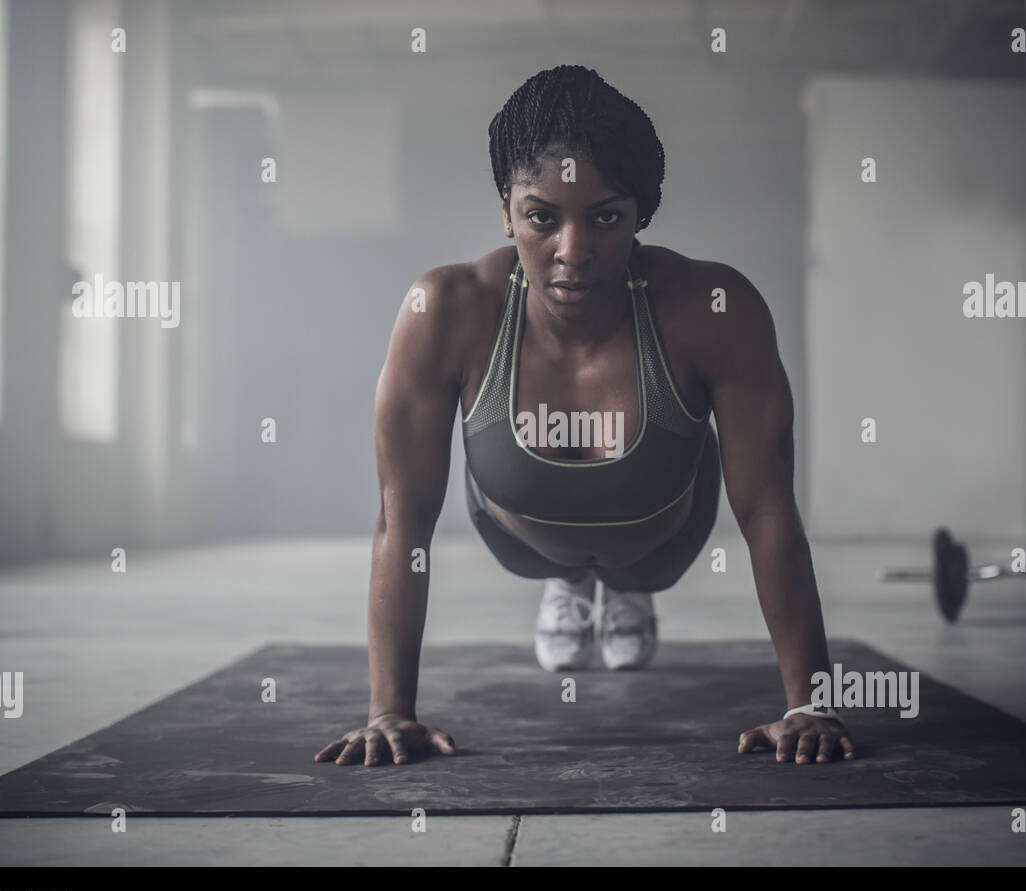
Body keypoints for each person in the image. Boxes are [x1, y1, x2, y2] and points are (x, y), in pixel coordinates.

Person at [315, 65, 856, 771]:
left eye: (605, 217)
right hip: (520, 534)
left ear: (641, 215)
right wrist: (389, 710)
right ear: (506, 210)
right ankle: (568, 582)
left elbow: (768, 512)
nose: (574, 253)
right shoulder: (445, 310)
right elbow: (401, 519)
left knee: (637, 567)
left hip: (663, 538)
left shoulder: (716, 309)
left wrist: (808, 702)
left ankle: (621, 590)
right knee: (559, 556)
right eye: (542, 217)